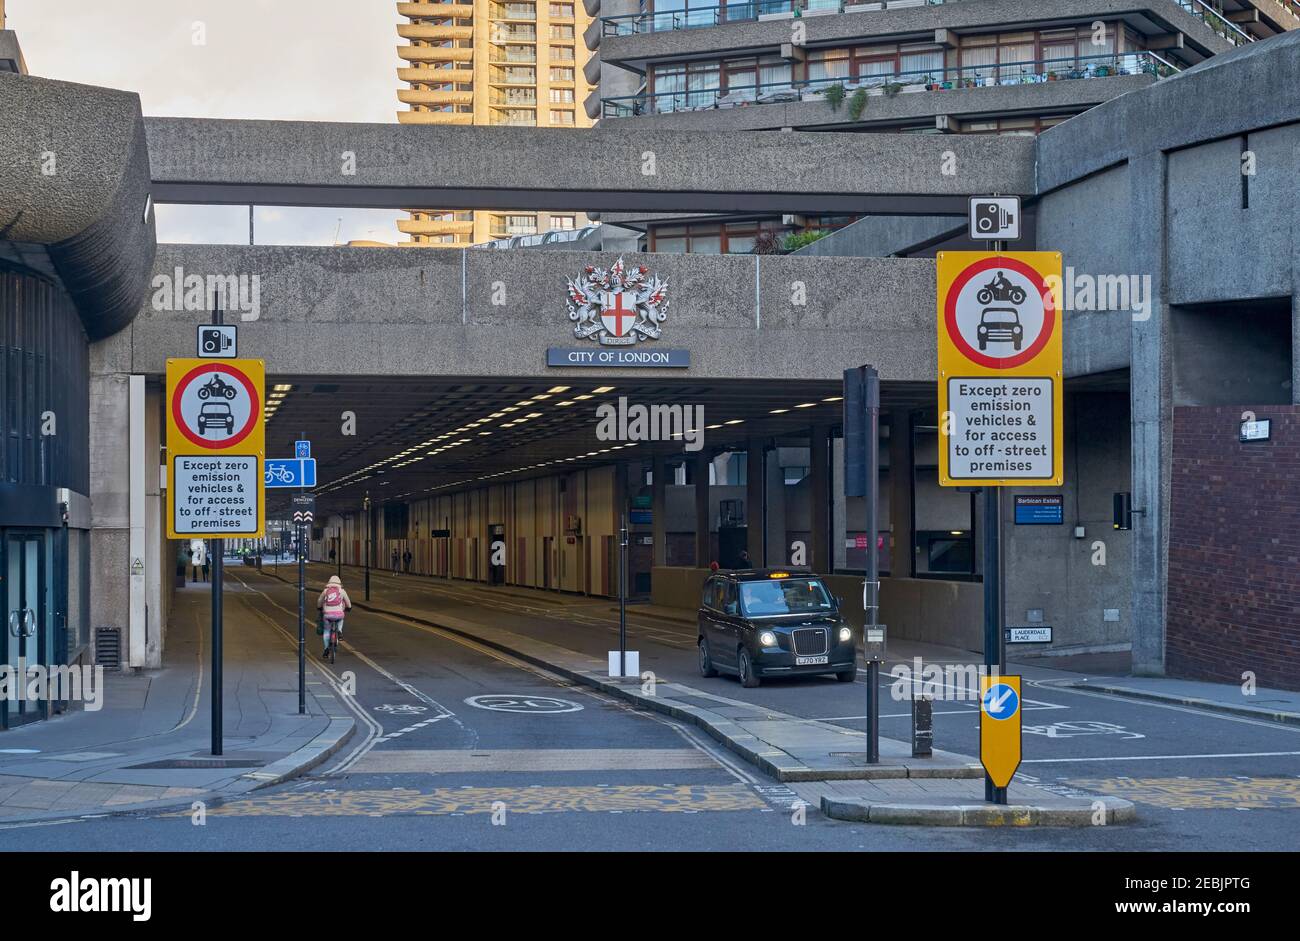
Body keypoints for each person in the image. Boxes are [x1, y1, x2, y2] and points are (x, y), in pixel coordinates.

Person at [317, 575, 352, 657]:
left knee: (326, 631)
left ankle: (326, 649)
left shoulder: (326, 591)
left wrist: (319, 607)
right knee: (341, 618)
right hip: (339, 614)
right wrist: (349, 608)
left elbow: (319, 600)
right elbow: (348, 602)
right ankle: (339, 631)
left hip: (327, 615)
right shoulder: (342, 591)